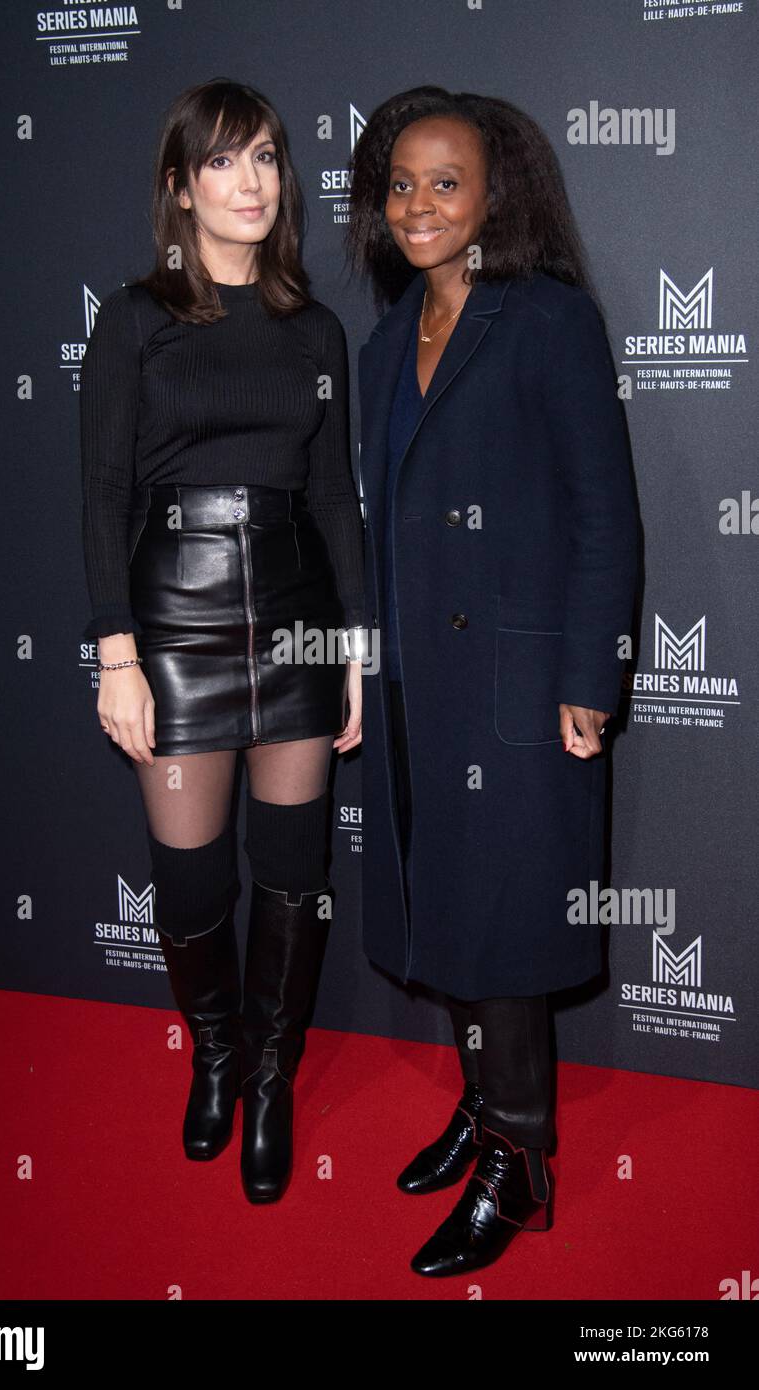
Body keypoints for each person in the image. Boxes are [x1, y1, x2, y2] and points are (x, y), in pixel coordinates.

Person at [346, 87, 639, 1274]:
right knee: (449, 913)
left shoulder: (547, 319)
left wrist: (591, 675)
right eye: (401, 185)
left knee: (509, 922)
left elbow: (601, 514)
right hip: (423, 683)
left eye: (444, 182)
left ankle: (520, 1164)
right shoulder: (381, 339)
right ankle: (480, 1106)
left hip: (518, 684)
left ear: (494, 193)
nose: (418, 205)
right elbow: (371, 530)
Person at [79, 78, 365, 1204]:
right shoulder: (135, 319)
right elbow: (102, 492)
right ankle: (211, 1056)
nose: (249, 183)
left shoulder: (318, 328)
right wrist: (116, 654)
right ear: (178, 187)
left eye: (265, 160)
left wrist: (355, 647)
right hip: (177, 618)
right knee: (193, 882)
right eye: (222, 162)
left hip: (297, 608)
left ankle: (271, 1075)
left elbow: (337, 502)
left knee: (292, 877)